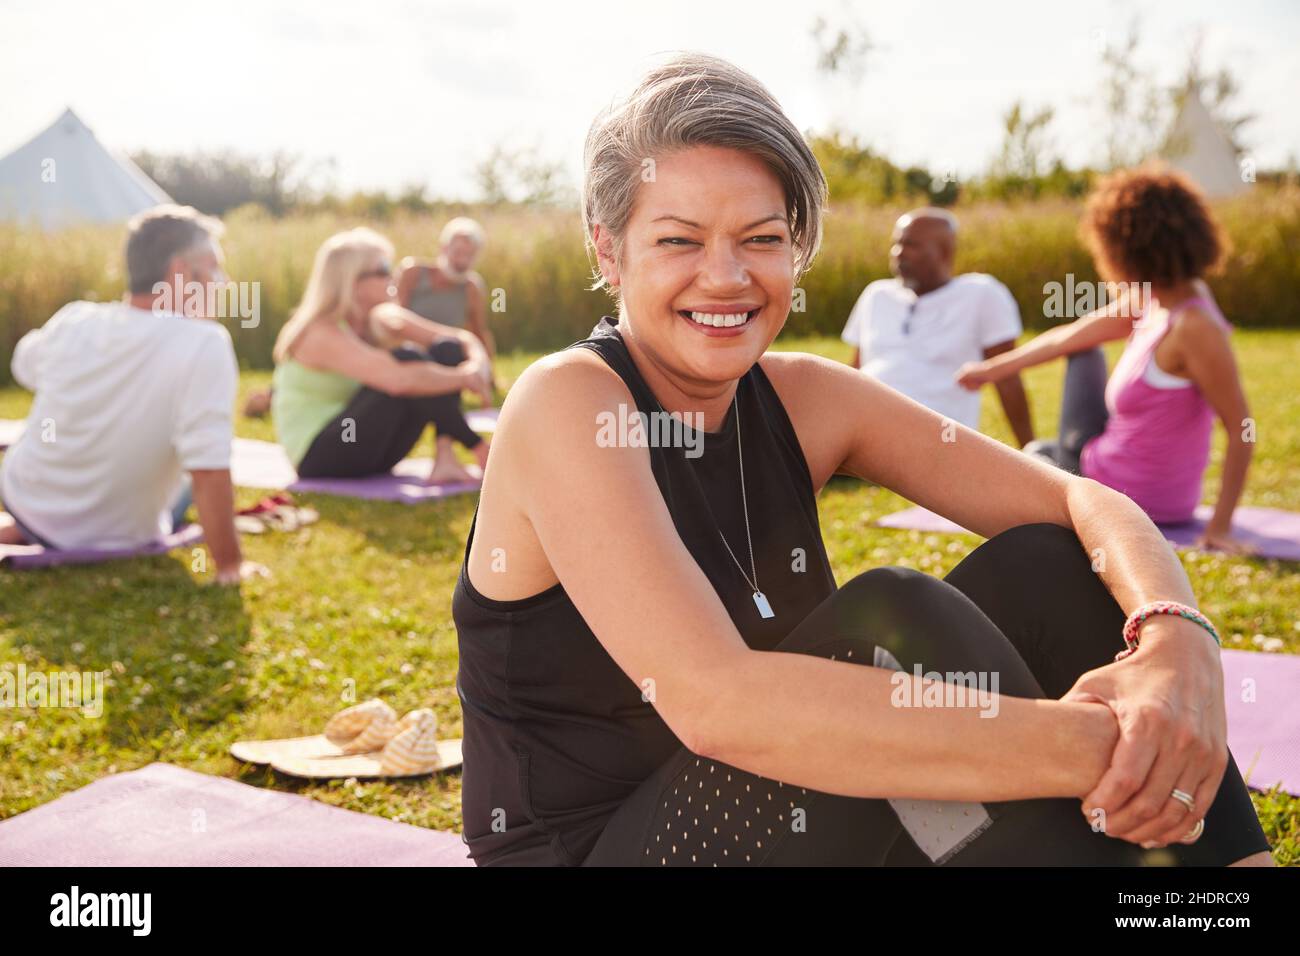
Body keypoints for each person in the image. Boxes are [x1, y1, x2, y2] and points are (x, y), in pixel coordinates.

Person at [451, 53, 1273, 868]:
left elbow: (1082, 505)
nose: (726, 276)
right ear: (608, 251)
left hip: (799, 820)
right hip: (606, 851)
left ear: (797, 247)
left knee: (1044, 561)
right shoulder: (569, 402)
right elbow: (716, 703)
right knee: (896, 619)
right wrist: (1119, 744)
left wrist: (1177, 644)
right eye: (678, 240)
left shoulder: (808, 398)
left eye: (762, 238)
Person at [956, 165, 1254, 554]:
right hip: (1135, 482)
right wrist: (989, 371)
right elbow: (1068, 336)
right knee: (1080, 354)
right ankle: (1043, 459)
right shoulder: (1160, 300)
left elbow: (1242, 428)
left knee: (1034, 456)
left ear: (1125, 251)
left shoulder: (1193, 328)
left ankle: (1042, 461)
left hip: (1117, 491)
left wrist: (1220, 527)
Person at [0, 204, 263, 585]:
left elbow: (25, 366)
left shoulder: (75, 318)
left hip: (26, 499)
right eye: (214, 267)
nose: (223, 282)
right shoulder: (204, 343)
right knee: (186, 480)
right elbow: (207, 469)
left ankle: (41, 526)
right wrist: (230, 567)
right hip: (117, 530)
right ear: (181, 272)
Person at [271, 228, 492, 483]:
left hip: (375, 454)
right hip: (322, 456)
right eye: (383, 269)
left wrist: (476, 365)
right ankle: (481, 450)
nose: (393, 276)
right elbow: (398, 381)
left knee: (445, 349)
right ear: (353, 282)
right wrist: (464, 379)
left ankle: (445, 458)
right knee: (407, 362)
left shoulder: (381, 318)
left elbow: (461, 339)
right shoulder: (319, 332)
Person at [841, 208, 1034, 446]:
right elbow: (855, 371)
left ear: (944, 252)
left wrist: (1030, 448)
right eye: (896, 244)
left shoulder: (981, 294)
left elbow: (1007, 378)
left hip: (936, 439)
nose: (898, 253)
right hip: (859, 432)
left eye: (911, 245)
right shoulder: (876, 294)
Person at [397, 217, 497, 378]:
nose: (462, 261)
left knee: (449, 349)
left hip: (446, 356)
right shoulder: (412, 272)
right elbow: (394, 318)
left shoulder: (472, 287)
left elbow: (479, 332)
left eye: (469, 254)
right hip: (408, 352)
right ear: (444, 248)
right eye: (458, 252)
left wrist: (490, 375)